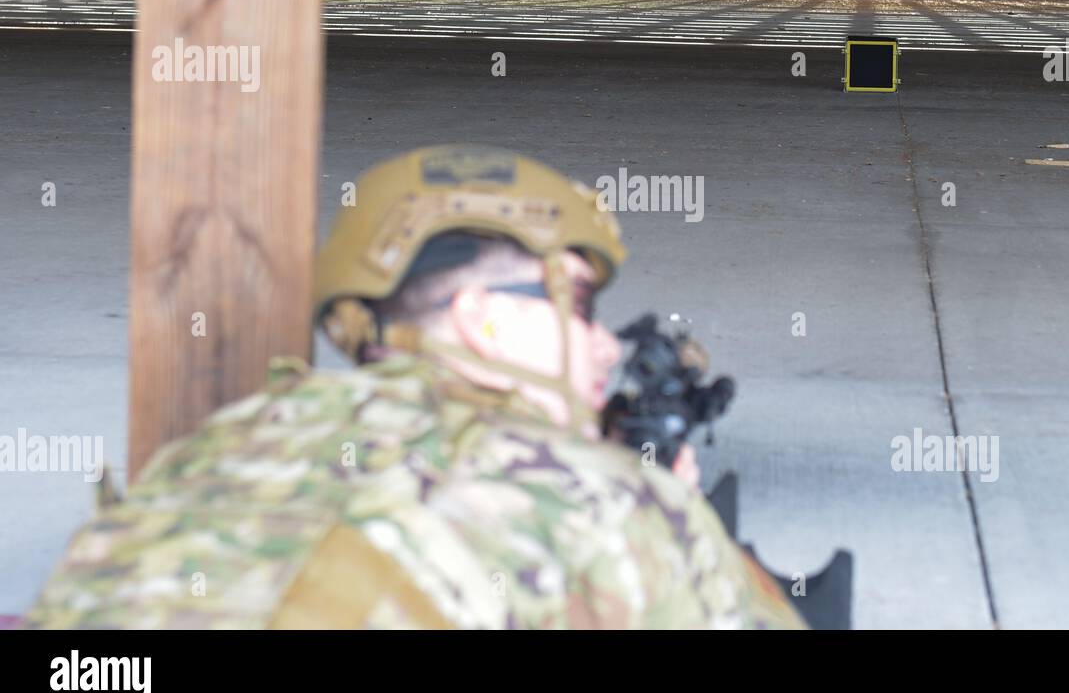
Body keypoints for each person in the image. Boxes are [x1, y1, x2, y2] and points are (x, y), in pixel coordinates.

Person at [25, 145, 805, 629]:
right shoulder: (605, 501)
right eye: (580, 305)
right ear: (482, 321)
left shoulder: (219, 444)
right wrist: (680, 520)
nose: (604, 341)